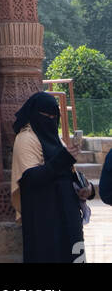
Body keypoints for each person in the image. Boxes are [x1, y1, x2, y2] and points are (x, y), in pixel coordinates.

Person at [11, 91, 95, 263]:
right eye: (45, 115)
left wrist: (88, 189)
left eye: (53, 116)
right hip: (44, 218)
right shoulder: (26, 138)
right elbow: (30, 179)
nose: (50, 119)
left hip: (67, 215)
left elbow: (69, 174)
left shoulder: (56, 139)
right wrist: (63, 159)